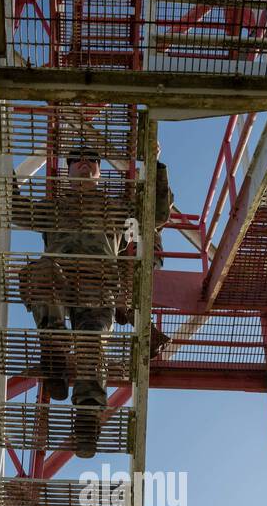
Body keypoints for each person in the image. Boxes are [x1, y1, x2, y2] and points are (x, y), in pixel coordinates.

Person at [11, 142, 174, 458]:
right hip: (59, 278)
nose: (84, 163)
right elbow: (16, 209)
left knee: (92, 342)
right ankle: (55, 351)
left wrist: (153, 163)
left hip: (98, 284)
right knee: (38, 272)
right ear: (68, 172)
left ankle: (87, 415)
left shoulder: (116, 208)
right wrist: (2, 167)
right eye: (76, 161)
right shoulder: (53, 207)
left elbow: (155, 212)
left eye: (91, 160)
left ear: (99, 172)